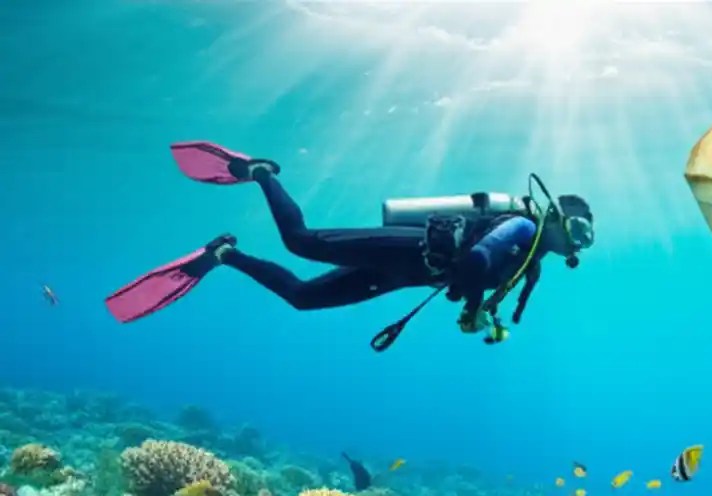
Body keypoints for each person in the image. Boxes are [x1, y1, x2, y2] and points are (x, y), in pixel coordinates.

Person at [105, 141, 596, 350]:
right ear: (556, 218)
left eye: (585, 239)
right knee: (301, 242)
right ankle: (260, 173)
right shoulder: (524, 232)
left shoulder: (530, 266)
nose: (577, 241)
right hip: (406, 253)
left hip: (401, 276)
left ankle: (224, 254)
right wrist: (471, 307)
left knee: (302, 298)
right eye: (577, 230)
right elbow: (477, 263)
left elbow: (481, 279)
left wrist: (480, 313)